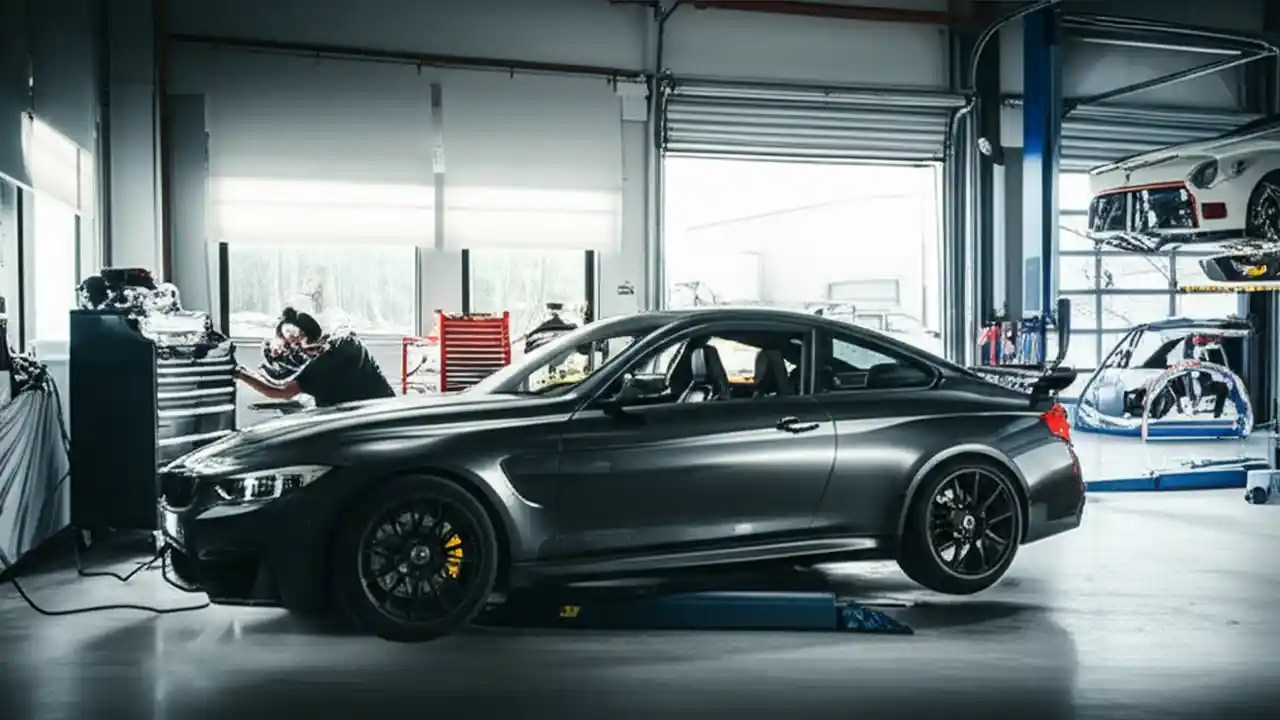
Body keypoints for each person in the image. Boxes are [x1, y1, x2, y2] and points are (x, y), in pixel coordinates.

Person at [233, 307, 395, 407]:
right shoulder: (346, 342)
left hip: (370, 422)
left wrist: (239, 372)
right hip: (369, 416)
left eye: (291, 343)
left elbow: (279, 391)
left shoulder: (336, 353)